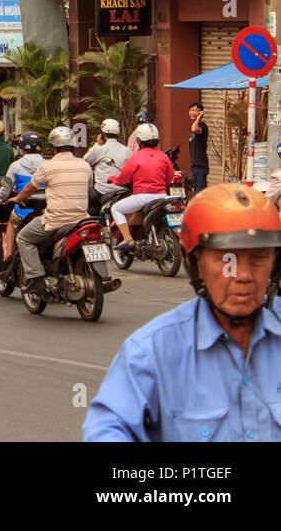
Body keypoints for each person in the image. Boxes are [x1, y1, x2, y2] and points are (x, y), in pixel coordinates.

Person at [84, 183, 281, 440]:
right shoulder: (151, 350)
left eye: (257, 258)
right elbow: (107, 430)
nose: (242, 275)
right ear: (193, 263)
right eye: (226, 259)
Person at [7, 126, 94, 297]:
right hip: (83, 220)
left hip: (56, 220)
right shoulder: (85, 165)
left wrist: (18, 199)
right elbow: (89, 187)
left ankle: (36, 279)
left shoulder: (48, 166)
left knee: (23, 238)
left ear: (53, 147)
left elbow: (30, 188)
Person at [107, 122, 175, 250]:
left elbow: (124, 178)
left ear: (138, 140)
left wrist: (112, 179)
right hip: (162, 196)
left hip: (142, 197)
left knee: (116, 208)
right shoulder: (164, 156)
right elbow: (169, 176)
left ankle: (128, 239)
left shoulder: (136, 157)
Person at [0, 132, 45, 258]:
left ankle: (8, 255)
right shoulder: (48, 164)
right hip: (45, 210)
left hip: (24, 209)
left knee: (11, 222)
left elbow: (4, 193)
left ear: (22, 147)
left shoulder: (16, 166)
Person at [84, 118, 131, 211]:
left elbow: (85, 160)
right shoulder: (127, 150)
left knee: (84, 197)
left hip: (102, 191)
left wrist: (97, 144)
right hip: (122, 191)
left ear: (103, 134)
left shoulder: (100, 149)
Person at [188, 102, 210, 194]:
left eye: (196, 111)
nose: (193, 113)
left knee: (200, 193)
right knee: (196, 191)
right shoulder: (192, 126)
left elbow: (195, 130)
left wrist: (199, 118)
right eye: (192, 110)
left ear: (201, 113)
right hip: (195, 165)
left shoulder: (203, 126)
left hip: (201, 165)